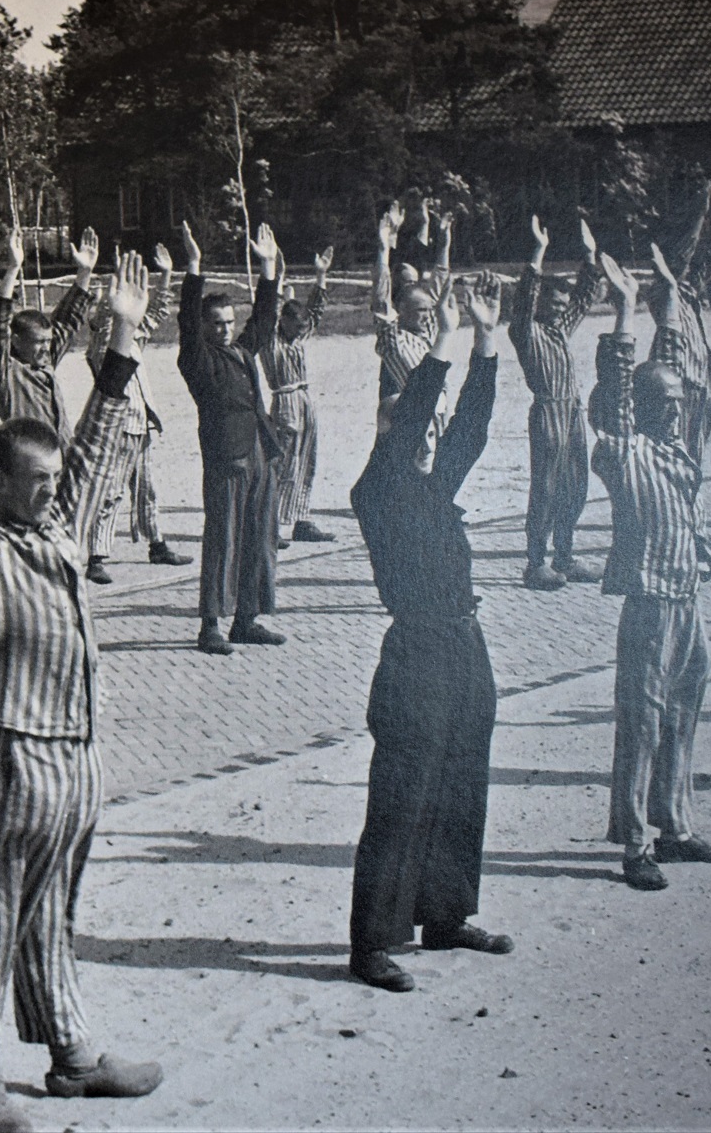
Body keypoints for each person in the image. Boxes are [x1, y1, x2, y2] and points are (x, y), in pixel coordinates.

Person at [0, 240, 164, 1133]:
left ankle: (69, 1054)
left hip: (78, 756)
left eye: (53, 479)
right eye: (33, 480)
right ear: (0, 482)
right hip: (19, 755)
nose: (50, 490)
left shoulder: (62, 529)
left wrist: (126, 339)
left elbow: (98, 443)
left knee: (54, 908)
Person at [347, 272, 515, 992]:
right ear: (389, 434)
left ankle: (446, 915)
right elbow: (418, 412)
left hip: (464, 642)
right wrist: (440, 340)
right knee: (402, 794)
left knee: (461, 778)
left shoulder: (430, 481)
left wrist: (486, 340)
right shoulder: (378, 490)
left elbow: (468, 429)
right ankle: (373, 943)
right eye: (412, 430)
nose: (426, 439)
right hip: (415, 650)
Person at [589, 254, 711, 891]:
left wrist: (669, 304)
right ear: (641, 408)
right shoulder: (624, 451)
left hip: (688, 600)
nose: (675, 410)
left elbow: (680, 368)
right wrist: (625, 310)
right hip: (649, 604)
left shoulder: (679, 453)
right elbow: (620, 383)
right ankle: (635, 846)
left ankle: (675, 827)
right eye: (664, 402)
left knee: (683, 715)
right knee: (642, 723)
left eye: (678, 402)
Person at [177, 220, 286, 655]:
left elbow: (264, 319)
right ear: (204, 327)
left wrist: (268, 269)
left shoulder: (241, 351)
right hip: (227, 457)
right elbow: (186, 323)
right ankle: (209, 626)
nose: (224, 329)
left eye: (228, 321)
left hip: (259, 450)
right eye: (216, 323)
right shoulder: (197, 360)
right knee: (223, 538)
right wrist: (194, 267)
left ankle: (247, 619)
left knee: (259, 536)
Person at [507, 216, 609, 590]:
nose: (560, 308)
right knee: (546, 489)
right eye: (553, 302)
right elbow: (524, 298)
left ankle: (564, 557)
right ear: (540, 304)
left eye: (562, 303)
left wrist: (590, 255)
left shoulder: (560, 329)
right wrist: (538, 251)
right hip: (548, 411)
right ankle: (536, 563)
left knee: (574, 486)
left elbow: (584, 297)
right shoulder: (526, 331)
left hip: (572, 412)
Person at [83, 243, 190, 581]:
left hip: (141, 423)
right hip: (117, 426)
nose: (109, 313)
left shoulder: (134, 336)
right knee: (111, 490)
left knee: (147, 488)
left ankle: (156, 544)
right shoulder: (101, 346)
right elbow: (117, 334)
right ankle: (97, 555)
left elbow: (157, 311)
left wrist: (167, 274)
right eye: (103, 311)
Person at [0, 226, 99, 440]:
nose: (47, 347)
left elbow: (68, 321)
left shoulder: (45, 360)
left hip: (59, 454)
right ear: (16, 342)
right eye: (39, 342)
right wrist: (13, 268)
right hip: (26, 462)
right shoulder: (5, 373)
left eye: (48, 341)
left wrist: (85, 272)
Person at [654, 178, 711, 463]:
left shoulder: (688, 295)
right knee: (677, 458)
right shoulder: (663, 292)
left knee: (695, 459)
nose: (689, 269)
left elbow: (709, 258)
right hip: (679, 389)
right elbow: (681, 257)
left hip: (701, 387)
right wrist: (700, 215)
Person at [260, 246, 335, 548]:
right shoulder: (271, 341)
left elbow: (315, 312)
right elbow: (266, 313)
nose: (304, 330)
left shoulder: (298, 335)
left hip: (305, 401)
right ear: (284, 321)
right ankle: (271, 525)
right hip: (286, 402)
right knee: (284, 463)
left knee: (308, 460)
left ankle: (302, 519)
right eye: (298, 325)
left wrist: (321, 275)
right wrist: (277, 278)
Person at [371, 200, 451, 408]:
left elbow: (438, 282)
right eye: (408, 281)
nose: (412, 283)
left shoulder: (426, 322)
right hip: (400, 385)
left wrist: (443, 244)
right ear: (400, 309)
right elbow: (381, 296)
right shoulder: (395, 339)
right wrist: (384, 246)